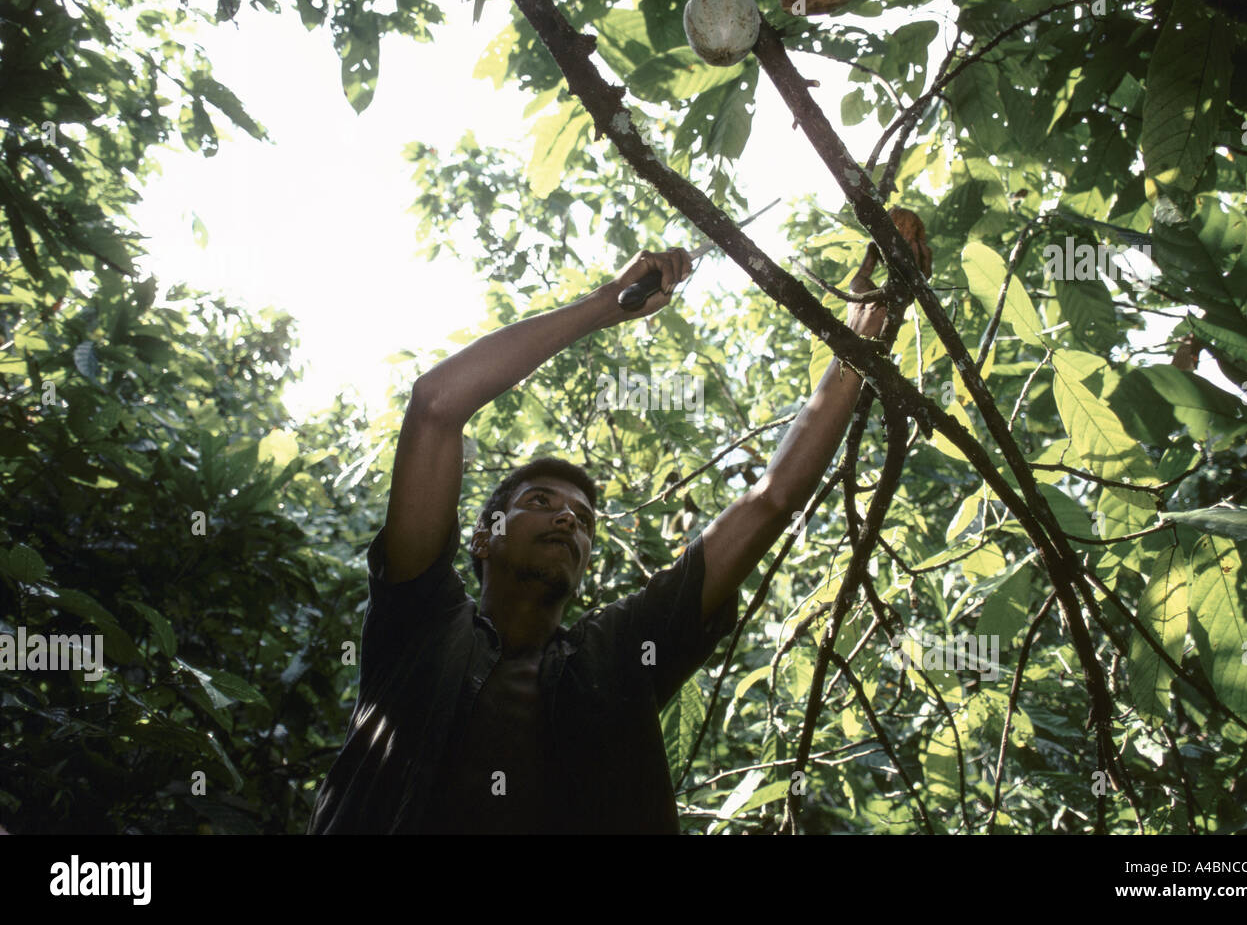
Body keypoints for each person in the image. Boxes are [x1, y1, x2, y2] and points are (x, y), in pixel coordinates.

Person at [308, 226, 931, 833]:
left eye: (582, 520)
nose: (565, 519)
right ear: (483, 536)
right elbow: (437, 405)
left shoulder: (621, 653)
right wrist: (608, 304)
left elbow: (773, 499)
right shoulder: (417, 622)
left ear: (584, 562)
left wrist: (866, 324)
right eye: (541, 501)